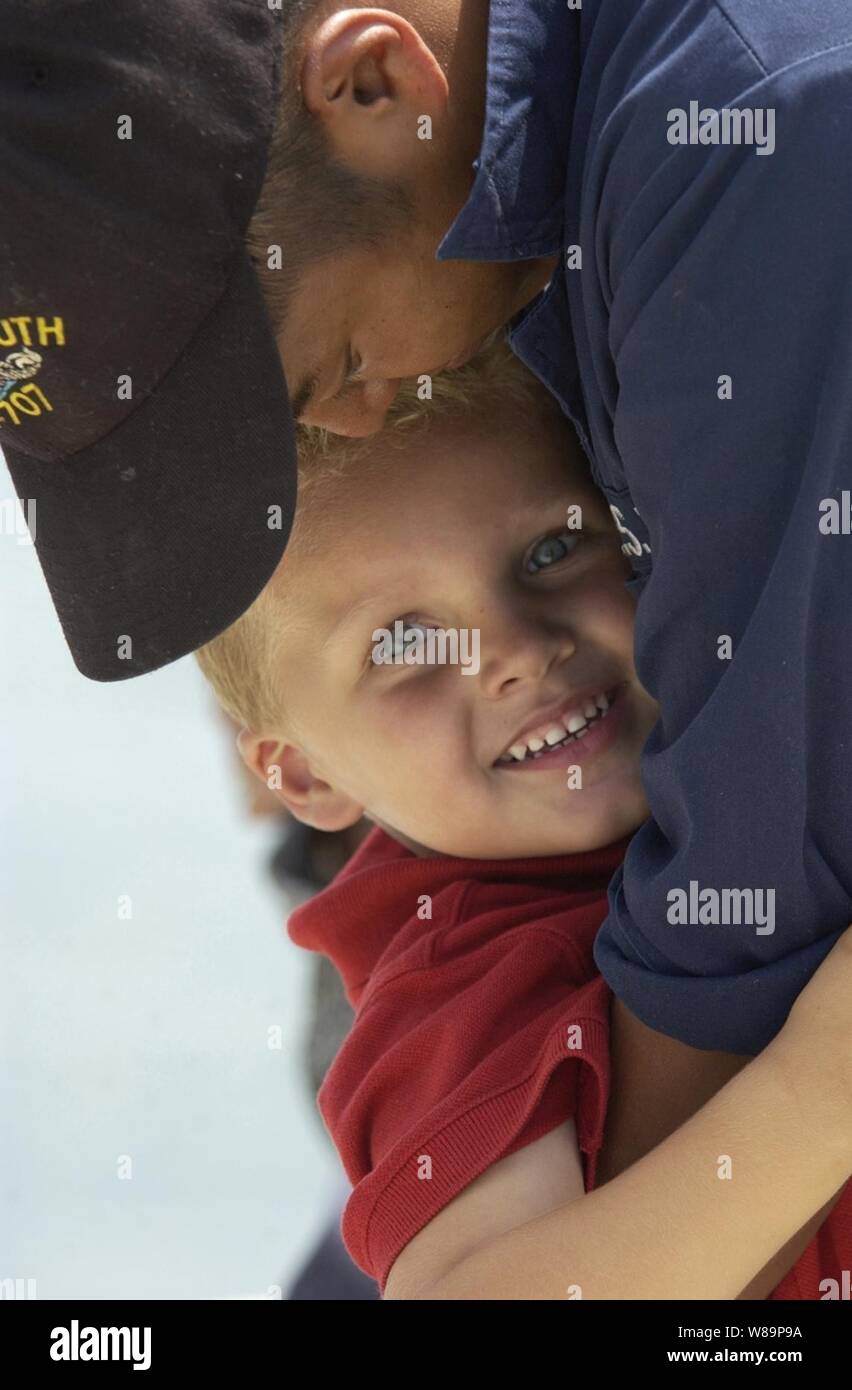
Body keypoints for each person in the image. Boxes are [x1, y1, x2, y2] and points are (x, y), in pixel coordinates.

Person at [195, 346, 852, 1299]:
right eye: (406, 642)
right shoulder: (449, 974)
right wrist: (823, 1086)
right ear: (301, 773)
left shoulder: (763, 734)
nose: (516, 652)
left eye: (550, 551)